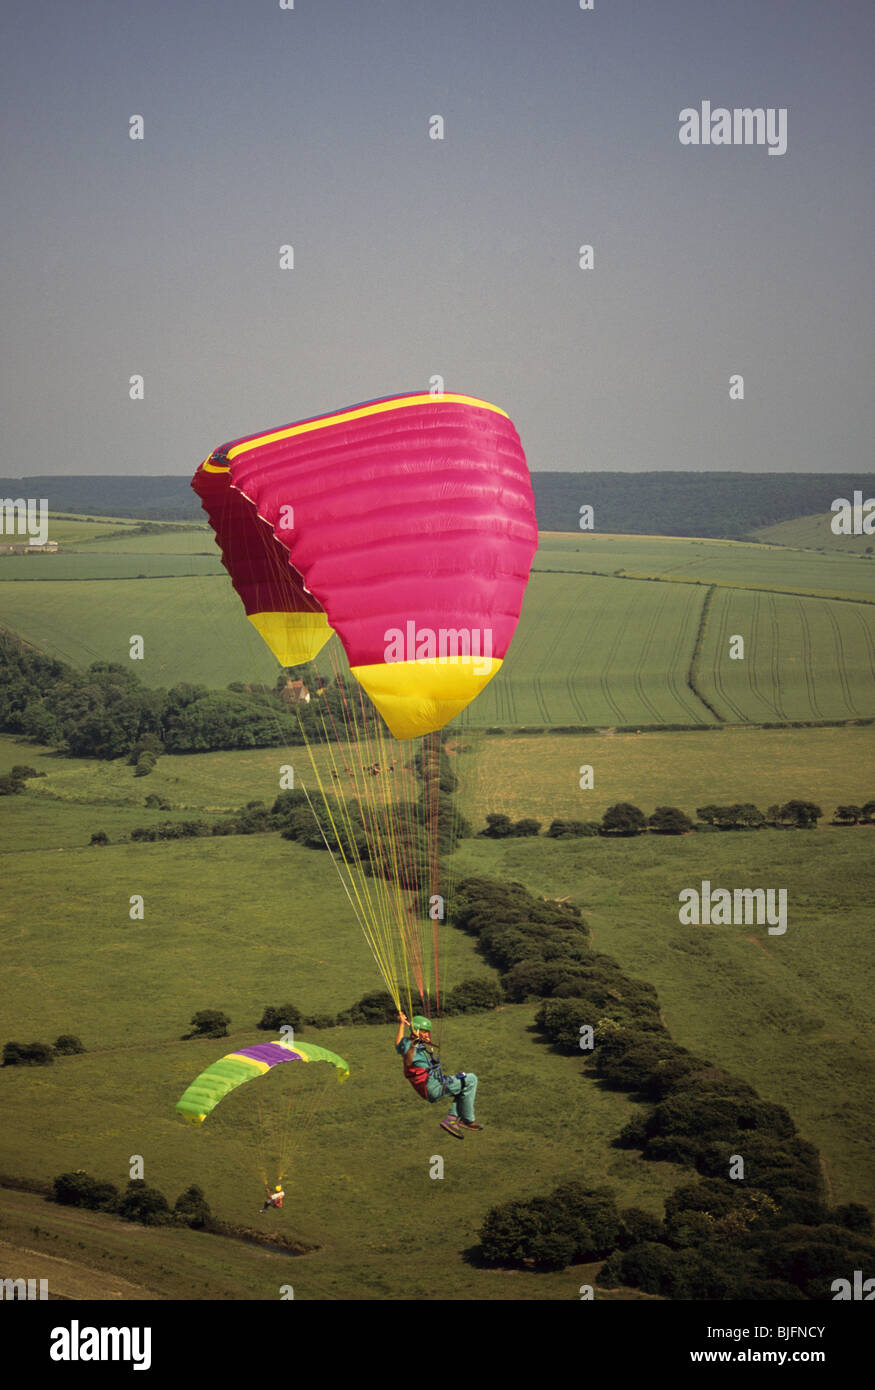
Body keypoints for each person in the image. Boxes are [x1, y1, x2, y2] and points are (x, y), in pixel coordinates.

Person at [394, 1012, 481, 1137]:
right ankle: (467, 1120)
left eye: (428, 1032)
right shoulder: (412, 1050)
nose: (428, 1035)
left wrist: (402, 1024)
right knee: (471, 1079)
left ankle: (451, 1120)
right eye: (424, 1032)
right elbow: (408, 1056)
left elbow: (398, 1044)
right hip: (431, 1088)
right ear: (416, 1031)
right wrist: (414, 1041)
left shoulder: (410, 1044)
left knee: (464, 1085)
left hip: (434, 1084)